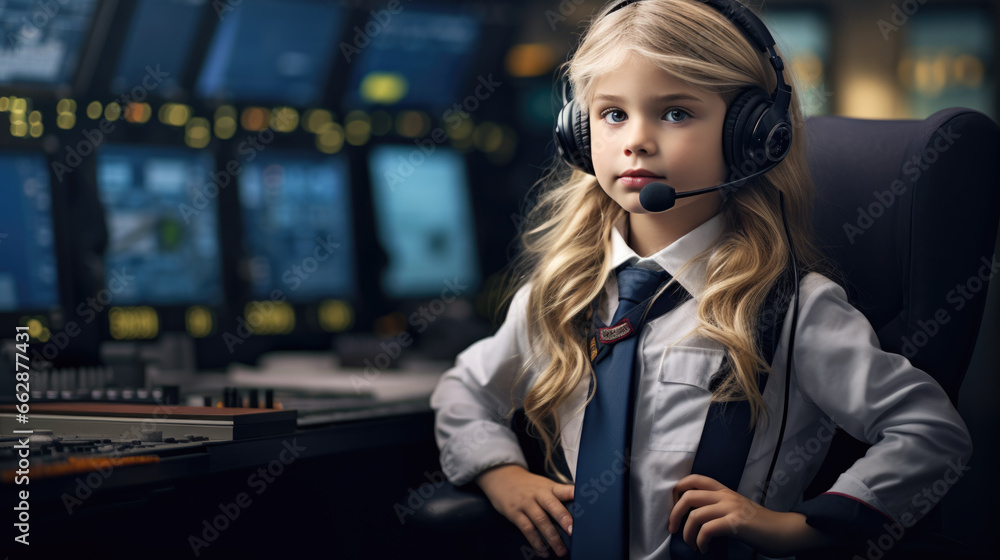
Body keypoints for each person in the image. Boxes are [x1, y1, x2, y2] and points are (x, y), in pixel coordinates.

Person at [429, 0, 973, 558]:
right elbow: (463, 391)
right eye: (613, 114)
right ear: (578, 131)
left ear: (750, 136)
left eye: (675, 113)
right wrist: (501, 476)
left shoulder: (792, 308)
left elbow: (930, 433)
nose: (636, 139)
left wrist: (799, 529)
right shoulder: (561, 294)